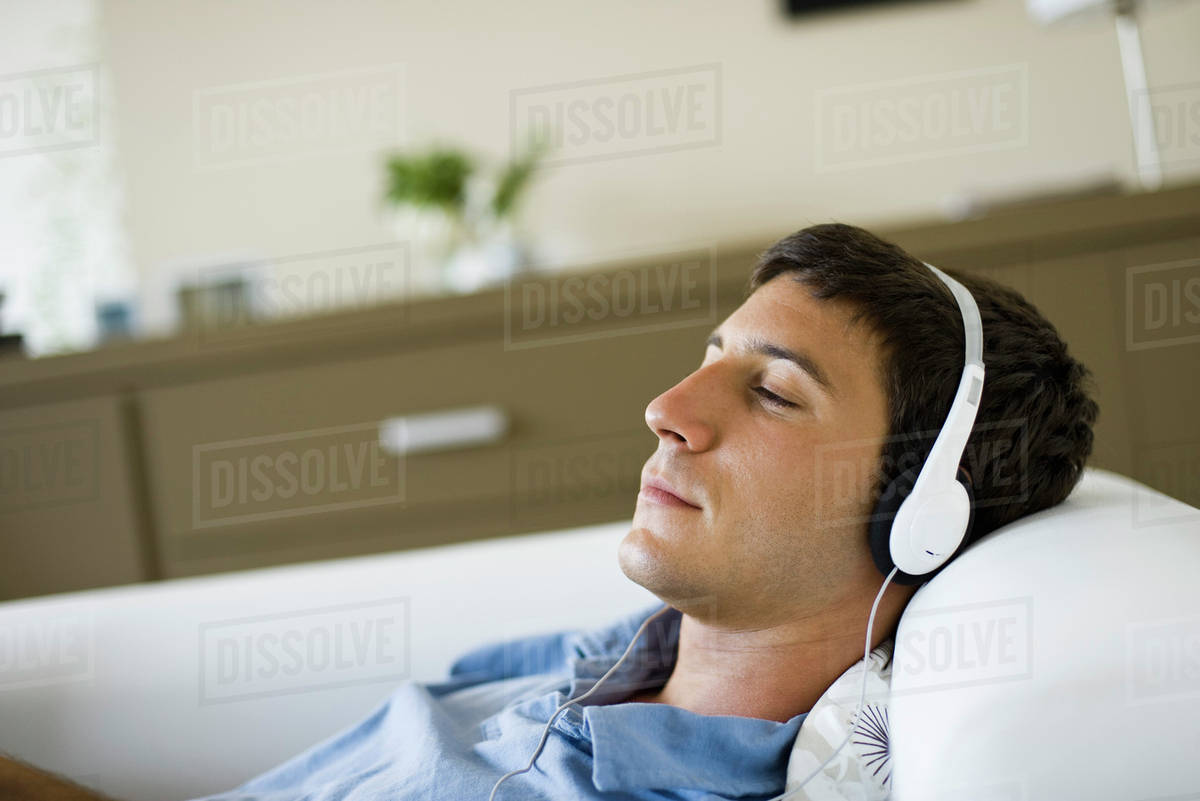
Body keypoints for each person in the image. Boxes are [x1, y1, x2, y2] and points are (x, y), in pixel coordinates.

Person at [0, 223, 1099, 801]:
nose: (667, 410)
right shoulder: (600, 660)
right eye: (708, 361)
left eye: (771, 391)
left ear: (916, 516)